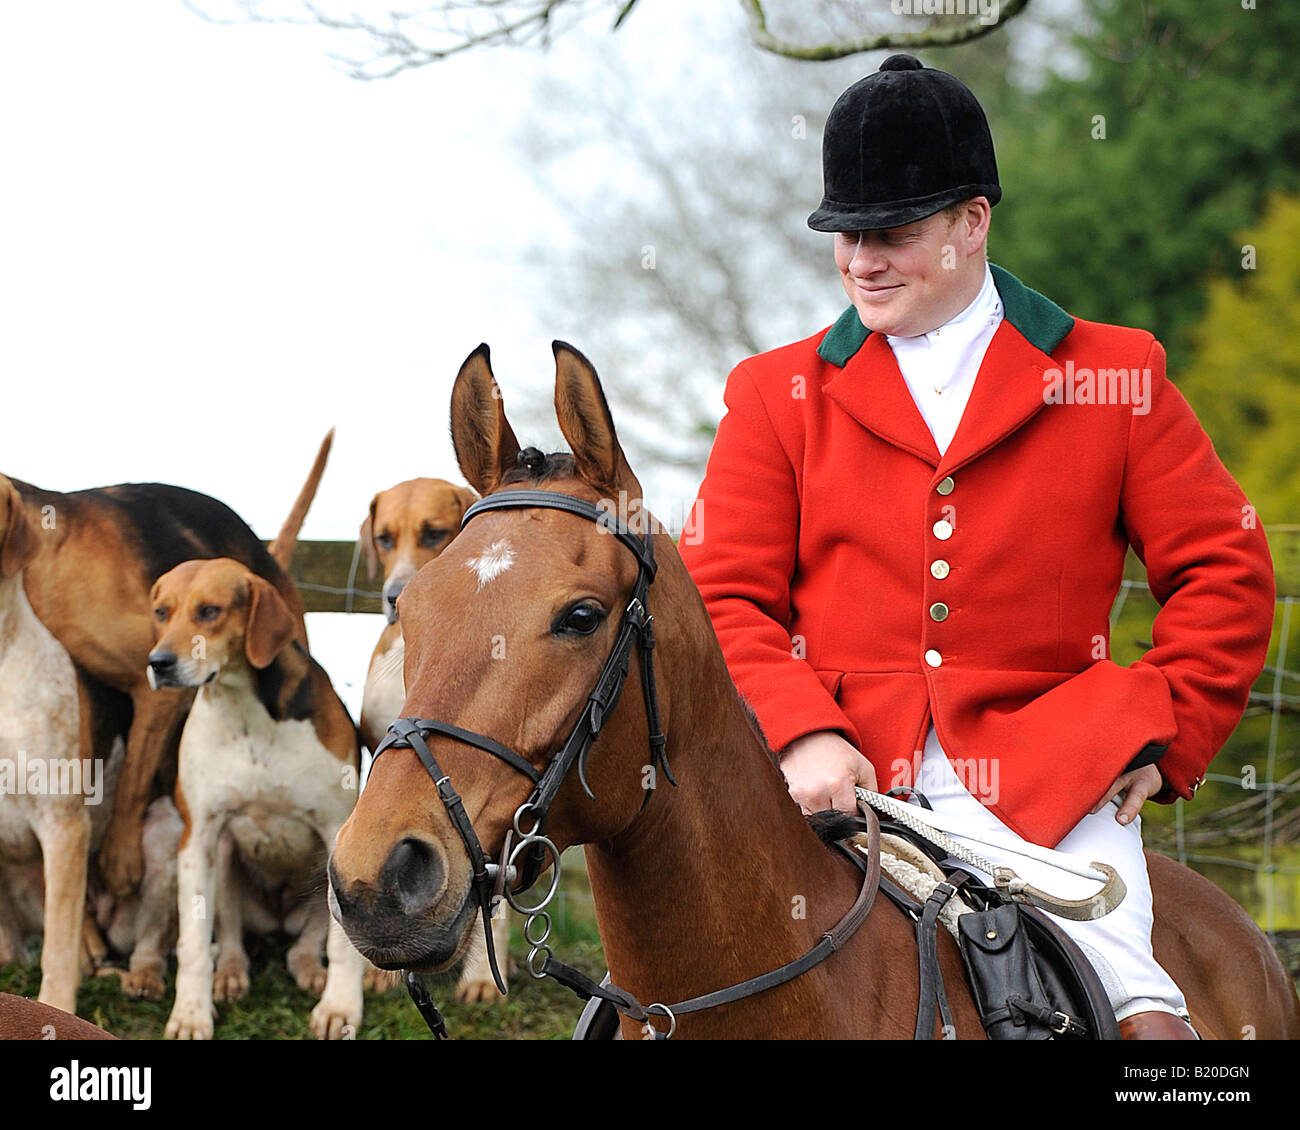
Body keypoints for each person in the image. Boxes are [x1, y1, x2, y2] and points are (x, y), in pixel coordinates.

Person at [678, 54, 1275, 1040]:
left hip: (1056, 775)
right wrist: (800, 728)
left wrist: (1170, 723)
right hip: (838, 771)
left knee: (1144, 1017)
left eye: (894, 232)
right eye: (847, 234)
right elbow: (723, 598)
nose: (863, 259)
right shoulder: (774, 392)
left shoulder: (1111, 373)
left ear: (971, 222)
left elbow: (1225, 565)